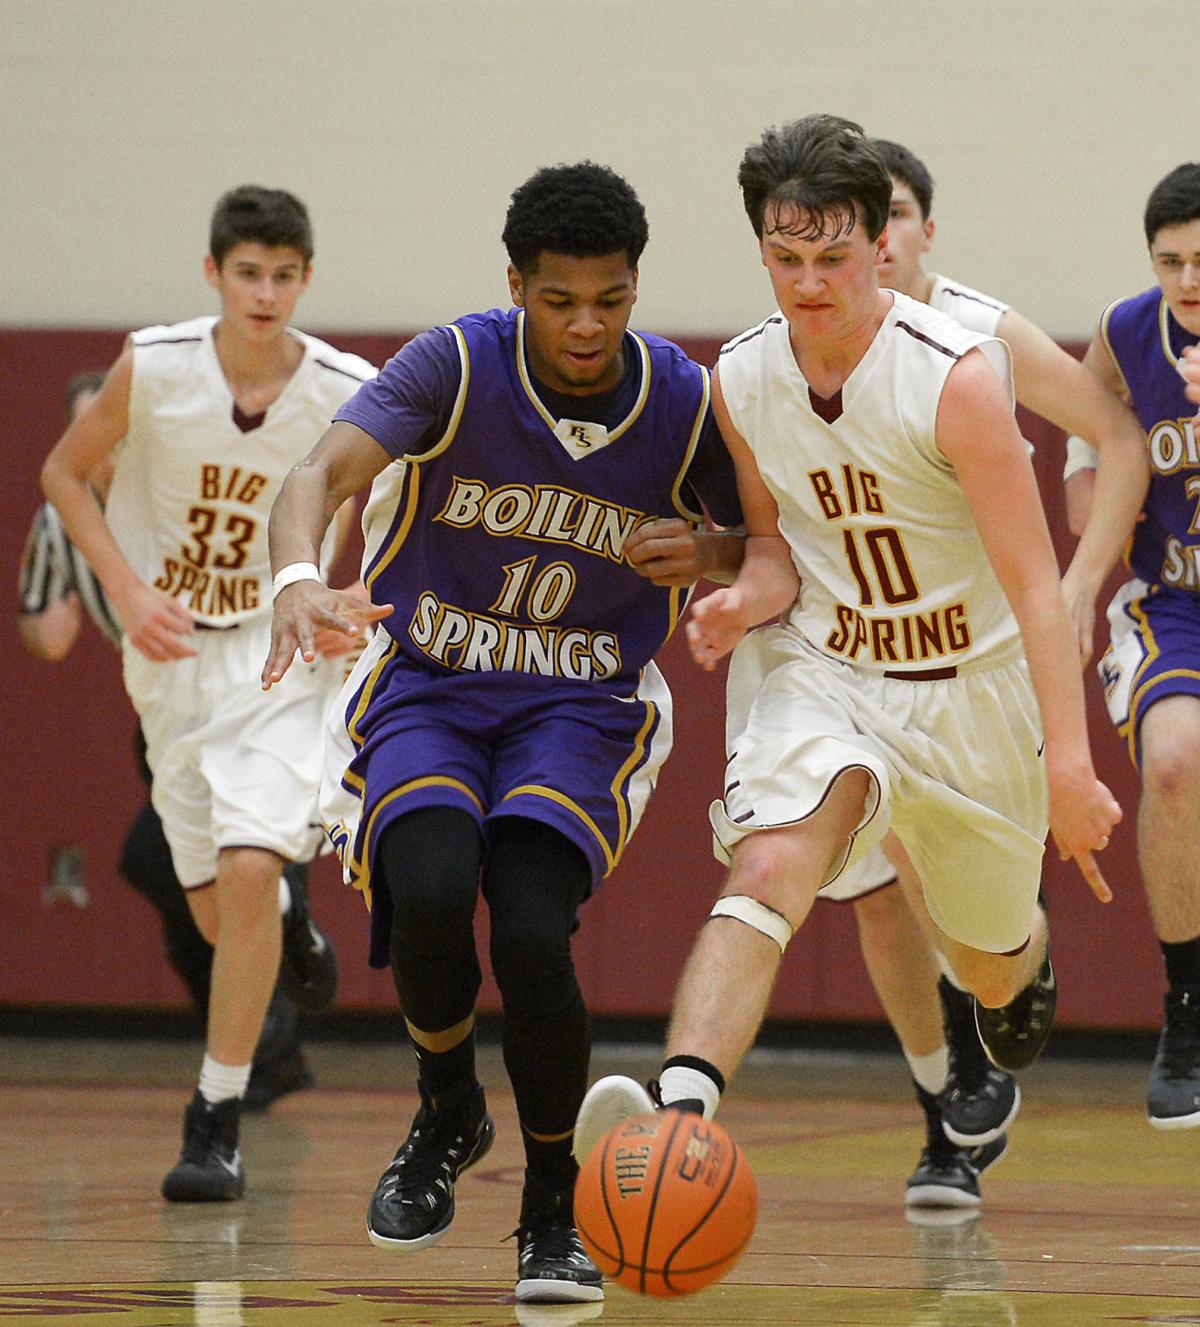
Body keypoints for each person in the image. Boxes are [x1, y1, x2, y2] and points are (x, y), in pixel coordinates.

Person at [575, 115, 1141, 1181]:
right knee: (776, 854)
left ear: (881, 246)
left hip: (970, 691)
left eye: (831, 257)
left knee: (987, 973)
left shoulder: (958, 376)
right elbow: (780, 549)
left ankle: (1021, 958)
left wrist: (1070, 765)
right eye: (785, 259)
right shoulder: (741, 378)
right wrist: (742, 597)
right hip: (827, 671)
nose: (808, 282)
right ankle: (679, 1109)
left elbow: (1031, 583)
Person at [260, 161, 743, 1304]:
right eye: (560, 298)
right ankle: (447, 1106)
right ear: (516, 284)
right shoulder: (456, 363)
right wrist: (295, 575)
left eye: (612, 299)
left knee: (530, 933)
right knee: (426, 887)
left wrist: (714, 557)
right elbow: (320, 471)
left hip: (582, 699)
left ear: (636, 288)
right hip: (432, 677)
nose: (587, 325)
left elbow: (769, 541)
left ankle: (550, 1209)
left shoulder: (683, 399)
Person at [40, 185, 366, 1200]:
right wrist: (126, 587)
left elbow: (375, 496)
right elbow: (63, 474)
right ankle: (290, 921)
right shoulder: (159, 364)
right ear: (214, 273)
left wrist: (335, 589)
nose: (265, 292)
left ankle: (215, 1114)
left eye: (283, 274)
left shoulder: (344, 385)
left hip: (277, 658)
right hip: (175, 655)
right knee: (228, 912)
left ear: (306, 279)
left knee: (247, 861)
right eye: (247, 272)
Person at [19, 372, 323, 1110]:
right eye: (89, 440)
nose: (106, 454)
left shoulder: (187, 494)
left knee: (229, 863)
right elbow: (49, 636)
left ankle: (260, 1040)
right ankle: (263, 1027)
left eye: (118, 435)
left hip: (252, 694)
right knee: (178, 872)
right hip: (164, 710)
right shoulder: (65, 523)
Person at [1062, 164, 1200, 1128]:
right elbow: (1087, 440)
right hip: (1176, 600)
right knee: (1178, 764)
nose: (1188, 278)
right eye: (1170, 261)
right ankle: (1186, 1011)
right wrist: (1088, 554)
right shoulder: (1125, 333)